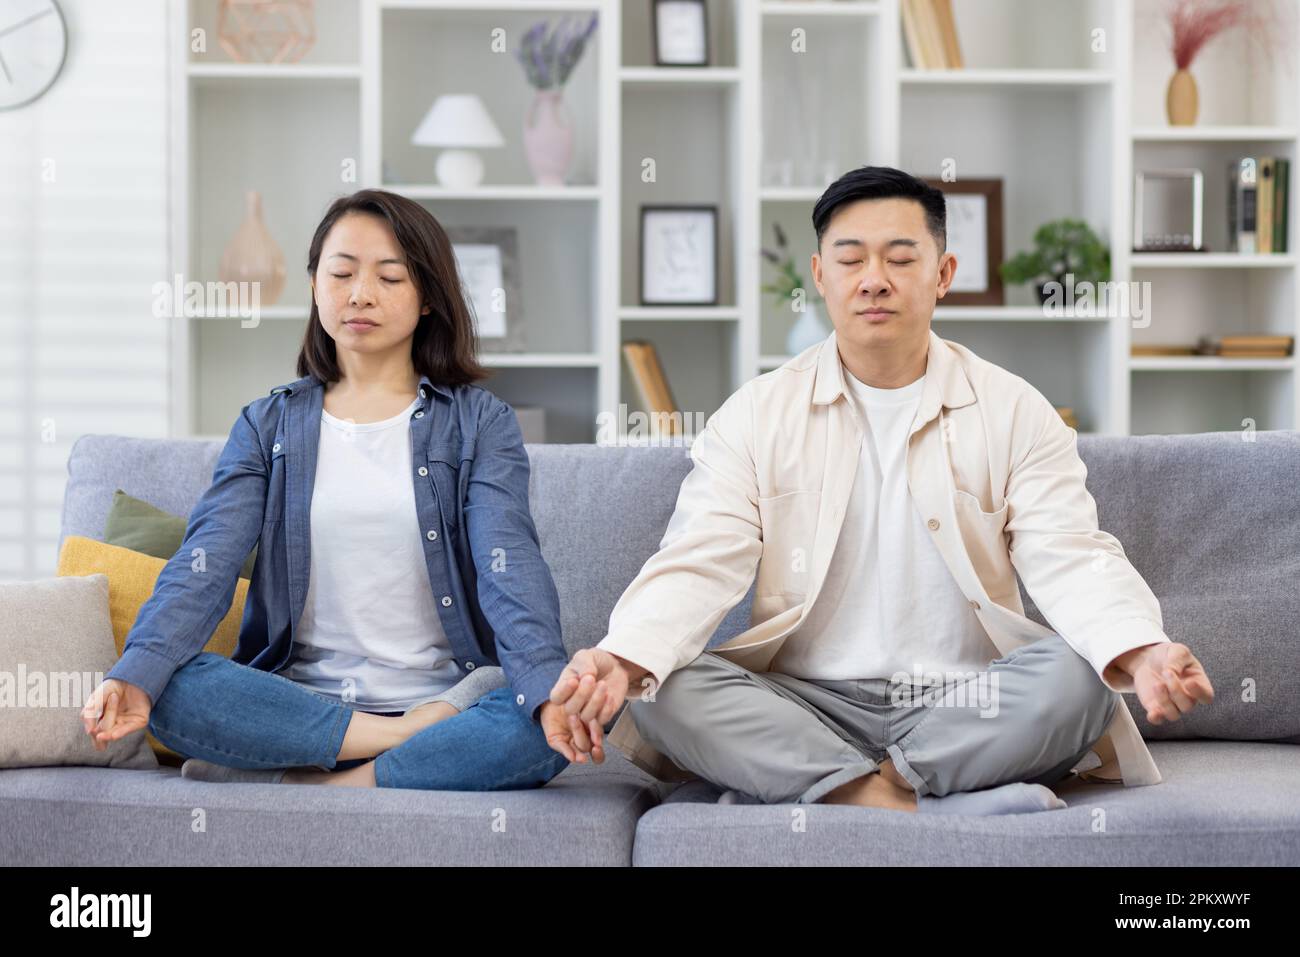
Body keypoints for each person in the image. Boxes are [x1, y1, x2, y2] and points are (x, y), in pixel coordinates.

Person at [549, 165, 1214, 813]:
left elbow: (1070, 551)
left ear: (943, 275)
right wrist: (619, 655)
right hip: (805, 701)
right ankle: (915, 800)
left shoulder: (1015, 409)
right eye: (850, 260)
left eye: (901, 258)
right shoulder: (755, 414)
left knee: (1078, 679)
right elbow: (700, 557)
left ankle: (838, 788)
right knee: (664, 688)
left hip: (965, 699)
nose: (874, 280)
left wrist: (1141, 647)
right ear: (819, 276)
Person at [81, 188, 595, 788]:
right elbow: (205, 565)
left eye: (390, 277)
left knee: (555, 720)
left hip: (447, 697)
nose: (361, 294)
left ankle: (329, 784)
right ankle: (400, 747)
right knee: (172, 688)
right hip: (299, 706)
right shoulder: (266, 424)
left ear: (427, 296)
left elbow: (510, 569)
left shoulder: (480, 423)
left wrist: (544, 684)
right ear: (315, 286)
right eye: (342, 272)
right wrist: (135, 673)